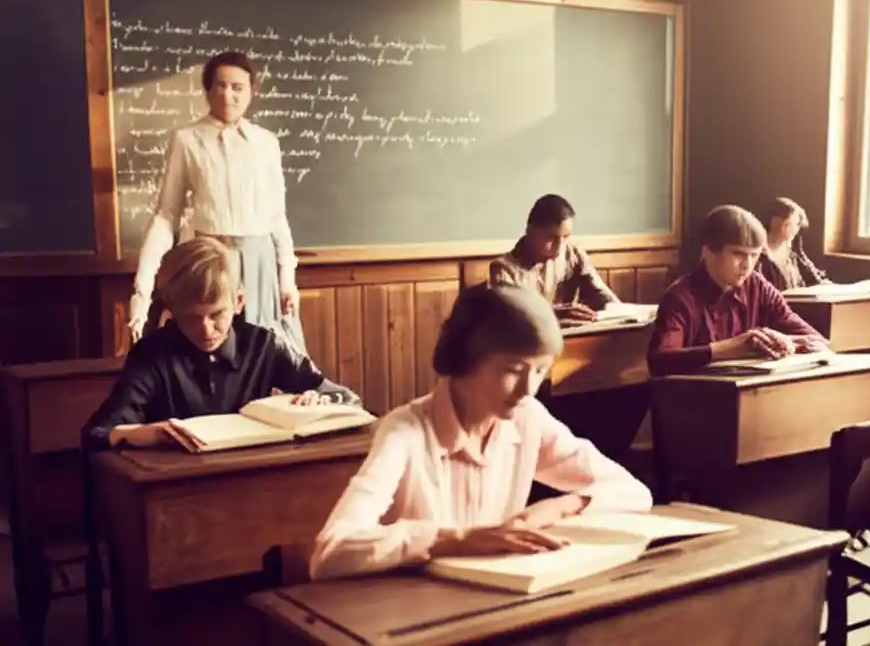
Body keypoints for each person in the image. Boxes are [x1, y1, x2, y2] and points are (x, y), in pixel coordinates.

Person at [309, 284, 651, 580]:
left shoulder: (527, 418)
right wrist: (455, 540)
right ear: (464, 360)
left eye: (541, 371)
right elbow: (331, 552)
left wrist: (561, 507)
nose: (528, 389)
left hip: (496, 608)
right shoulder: (406, 431)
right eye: (513, 370)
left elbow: (633, 493)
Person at [82, 237, 358, 452]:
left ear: (238, 302)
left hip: (254, 474)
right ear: (172, 311)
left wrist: (319, 403)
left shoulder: (263, 345)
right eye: (191, 318)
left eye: (217, 314)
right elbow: (97, 434)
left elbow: (348, 399)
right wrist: (145, 433)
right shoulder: (152, 355)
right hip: (179, 488)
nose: (206, 329)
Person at [128, 50, 306, 354]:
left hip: (258, 264)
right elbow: (166, 215)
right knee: (210, 346)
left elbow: (277, 217)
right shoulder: (187, 139)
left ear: (252, 91)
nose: (228, 95)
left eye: (238, 87)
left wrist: (287, 279)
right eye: (220, 86)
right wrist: (142, 290)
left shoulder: (266, 143)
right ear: (208, 90)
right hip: (208, 261)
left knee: (258, 353)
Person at [647, 205, 828, 377]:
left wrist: (782, 341)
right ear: (708, 252)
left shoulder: (758, 286)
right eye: (738, 254)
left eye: (754, 255)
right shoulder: (680, 297)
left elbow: (817, 341)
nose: (747, 266)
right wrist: (731, 347)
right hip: (692, 400)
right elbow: (660, 361)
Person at [489, 194, 618, 323]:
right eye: (551, 238)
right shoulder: (503, 269)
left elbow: (604, 297)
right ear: (530, 231)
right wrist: (556, 313)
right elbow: (511, 319)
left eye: (566, 237)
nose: (560, 248)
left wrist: (621, 311)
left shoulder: (573, 255)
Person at [756, 197, 830, 291]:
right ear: (775, 222)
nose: (796, 229)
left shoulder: (794, 252)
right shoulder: (757, 255)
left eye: (797, 224)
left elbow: (814, 280)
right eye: (793, 224)